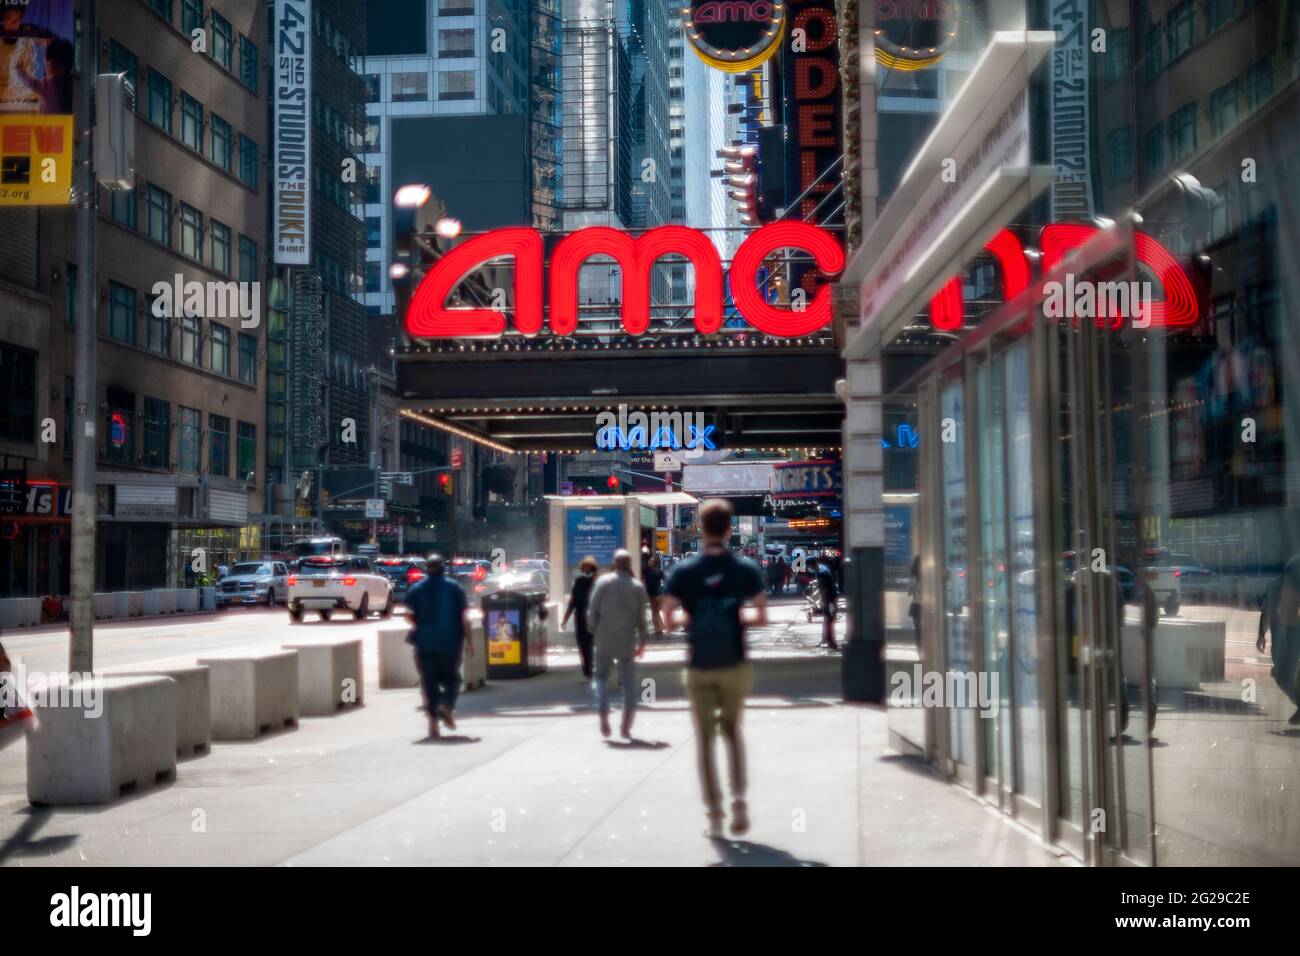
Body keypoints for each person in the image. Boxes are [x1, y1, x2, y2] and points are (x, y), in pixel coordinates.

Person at [662, 498, 767, 839]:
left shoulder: (684, 572)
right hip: (734, 662)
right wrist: (735, 616)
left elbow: (668, 621)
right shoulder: (744, 570)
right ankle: (739, 801)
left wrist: (691, 616)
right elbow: (761, 616)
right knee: (733, 733)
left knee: (705, 740)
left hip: (699, 665)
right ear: (729, 527)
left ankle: (715, 813)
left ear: (701, 527)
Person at [405, 553, 473, 738]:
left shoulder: (417, 588)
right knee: (452, 680)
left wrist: (421, 625)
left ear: (427, 568)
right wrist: (470, 642)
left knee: (429, 684)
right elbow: (463, 618)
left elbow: (408, 615)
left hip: (424, 643)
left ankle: (433, 725)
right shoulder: (455, 588)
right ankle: (445, 704)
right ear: (443, 568)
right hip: (450, 643)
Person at [587, 549, 650, 738]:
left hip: (604, 637)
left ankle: (603, 710)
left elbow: (592, 611)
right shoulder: (637, 587)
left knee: (600, 678)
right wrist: (642, 642)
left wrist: (593, 630)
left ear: (614, 564)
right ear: (630, 565)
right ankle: (626, 725)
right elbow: (642, 620)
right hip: (627, 640)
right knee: (629, 682)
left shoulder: (602, 583)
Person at [1257, 555, 1300, 725]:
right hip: (1283, 643)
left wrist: (1261, 635)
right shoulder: (1275, 587)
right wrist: (1261, 634)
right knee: (1282, 674)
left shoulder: (1277, 586)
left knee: (1286, 675)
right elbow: (1266, 611)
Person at [561, 556, 599, 679]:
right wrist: (565, 619)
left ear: (592, 568)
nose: (585, 569)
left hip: (596, 618)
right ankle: (587, 668)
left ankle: (593, 666)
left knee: (593, 643)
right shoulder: (578, 582)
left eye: (587, 566)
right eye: (584, 567)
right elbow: (572, 602)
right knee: (583, 644)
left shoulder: (597, 582)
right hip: (581, 618)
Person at [815, 558, 839, 650]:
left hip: (829, 599)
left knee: (828, 620)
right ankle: (827, 640)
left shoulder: (822, 572)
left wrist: (821, 600)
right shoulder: (823, 569)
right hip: (831, 598)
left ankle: (831, 642)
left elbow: (825, 588)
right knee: (828, 620)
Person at [643, 553, 666, 638]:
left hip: (658, 593)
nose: (649, 562)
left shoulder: (659, 571)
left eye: (651, 560)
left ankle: (660, 628)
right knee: (654, 612)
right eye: (649, 560)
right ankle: (658, 629)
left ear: (655, 562)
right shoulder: (645, 570)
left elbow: (665, 580)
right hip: (651, 593)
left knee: (660, 610)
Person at [907, 555, 922, 644]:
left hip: (916, 606)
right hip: (927, 606)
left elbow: (909, 593)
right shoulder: (929, 576)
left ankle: (920, 649)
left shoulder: (913, 578)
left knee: (918, 631)